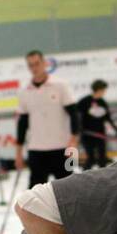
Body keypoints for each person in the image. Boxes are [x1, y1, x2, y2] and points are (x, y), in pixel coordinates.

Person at [14, 50, 79, 186]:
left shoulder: (60, 85)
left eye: (37, 64)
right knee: (35, 195)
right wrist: (18, 153)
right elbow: (23, 123)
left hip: (63, 149)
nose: (34, 68)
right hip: (36, 150)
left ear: (44, 63)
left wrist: (73, 142)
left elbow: (74, 114)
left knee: (69, 190)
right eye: (30, 65)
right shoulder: (24, 90)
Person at [77, 80, 117, 168]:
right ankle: (84, 177)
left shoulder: (102, 102)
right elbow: (78, 117)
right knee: (91, 158)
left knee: (102, 158)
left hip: (100, 134)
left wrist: (115, 128)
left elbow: (107, 117)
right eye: (104, 90)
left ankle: (103, 178)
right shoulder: (84, 102)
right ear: (99, 90)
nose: (104, 92)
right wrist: (79, 128)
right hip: (87, 135)